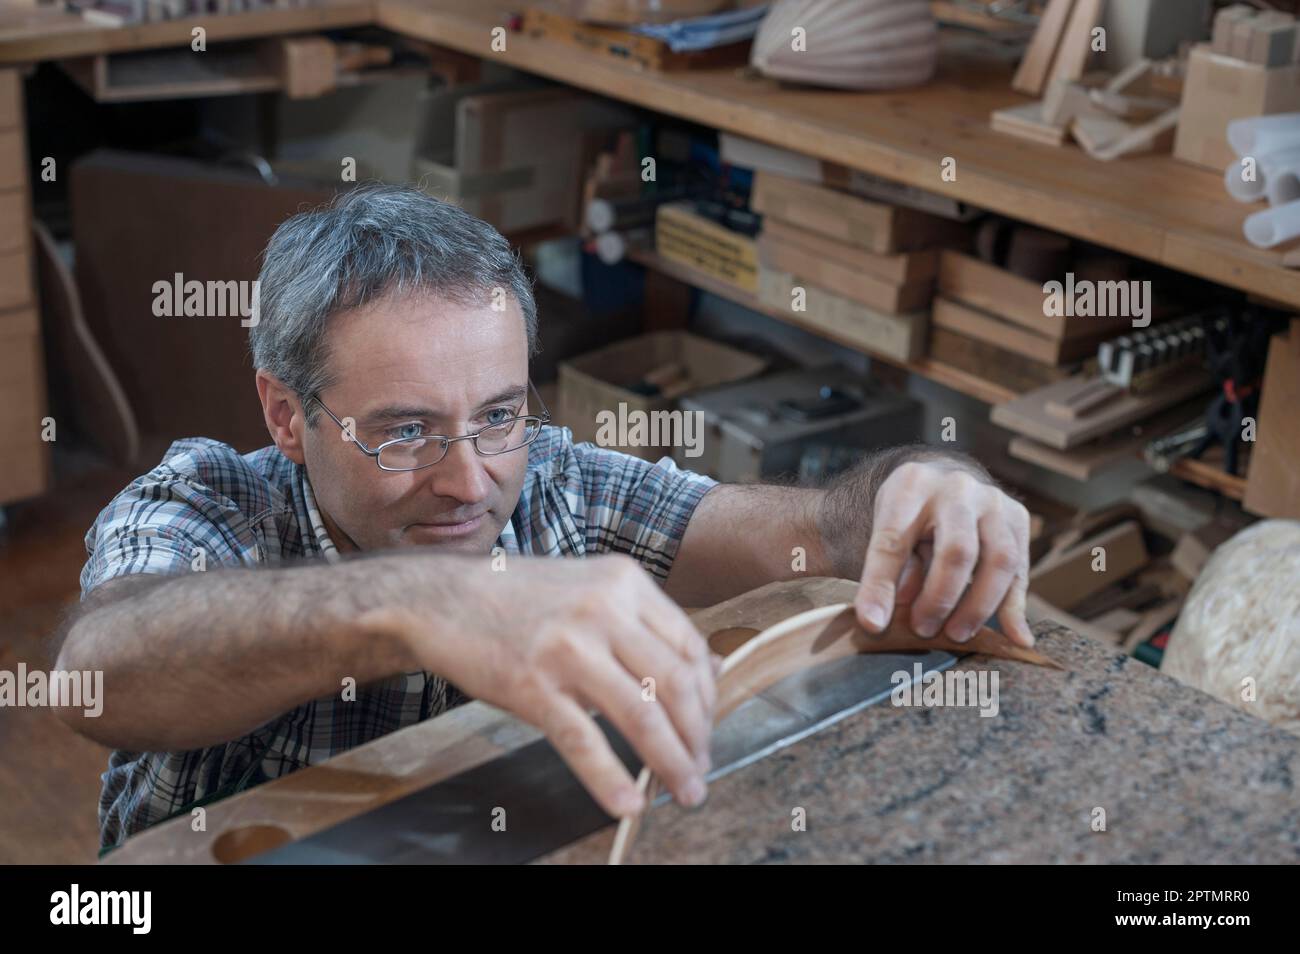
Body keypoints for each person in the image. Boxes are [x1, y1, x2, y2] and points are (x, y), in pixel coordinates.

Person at [55, 185, 1034, 852]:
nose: (471, 482)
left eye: (499, 415)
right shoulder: (209, 502)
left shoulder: (560, 488)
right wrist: (413, 603)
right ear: (286, 414)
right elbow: (100, 677)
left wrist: (922, 485)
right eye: (405, 432)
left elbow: (820, 534)